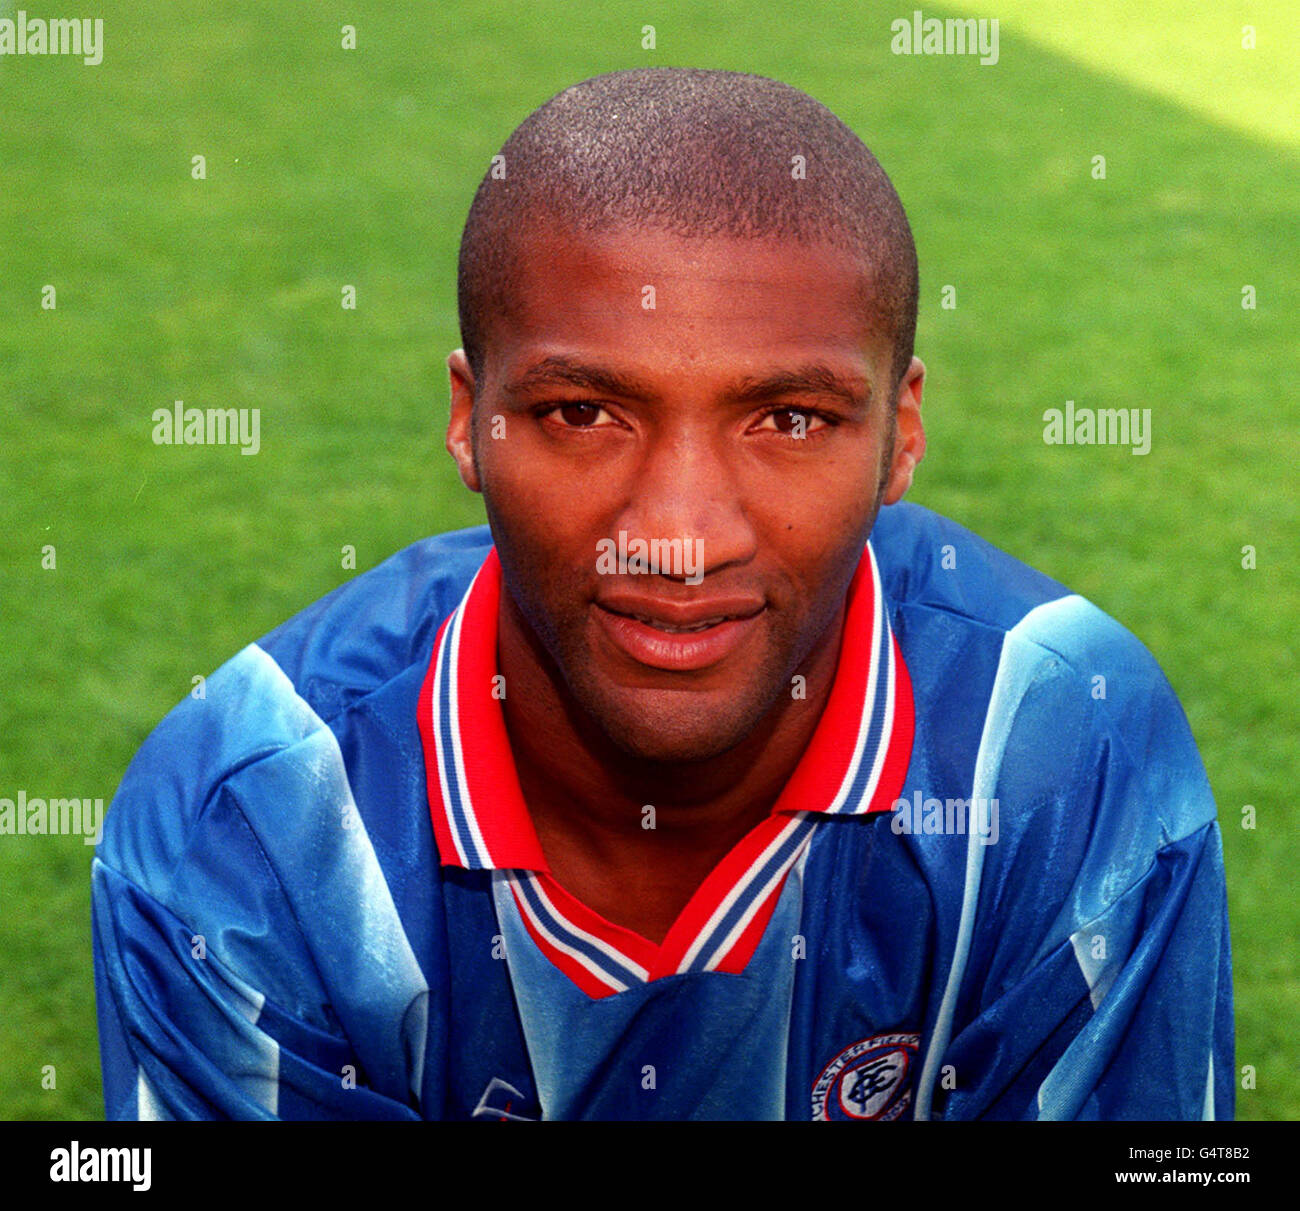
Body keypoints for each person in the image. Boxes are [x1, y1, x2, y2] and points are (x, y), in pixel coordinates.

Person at [92, 67, 1233, 1121]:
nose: (679, 537)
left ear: (901, 432)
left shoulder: (1061, 744)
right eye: (581, 413)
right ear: (468, 419)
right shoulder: (246, 825)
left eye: (791, 418)